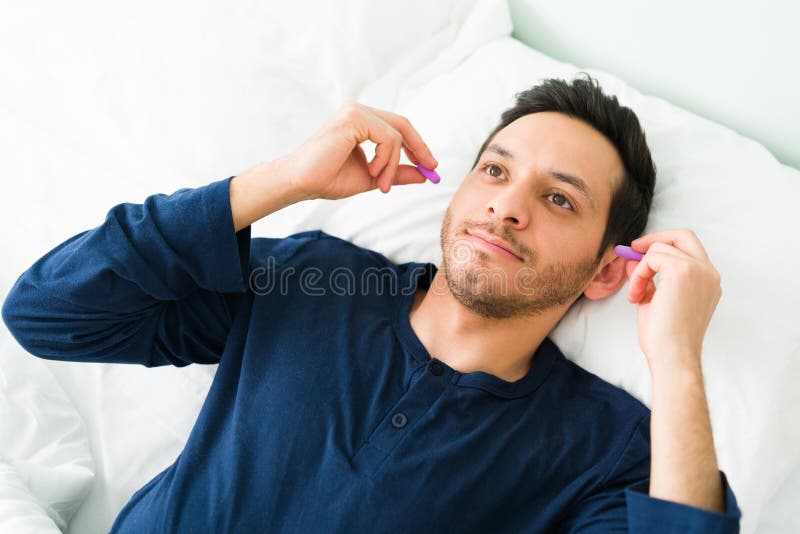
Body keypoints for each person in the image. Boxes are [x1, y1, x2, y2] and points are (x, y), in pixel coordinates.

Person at [2, 74, 741, 533]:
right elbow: (48, 314)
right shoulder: (314, 279)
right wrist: (281, 181)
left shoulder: (603, 448)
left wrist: (676, 358)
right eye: (493, 171)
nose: (507, 208)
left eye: (557, 198)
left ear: (605, 275)